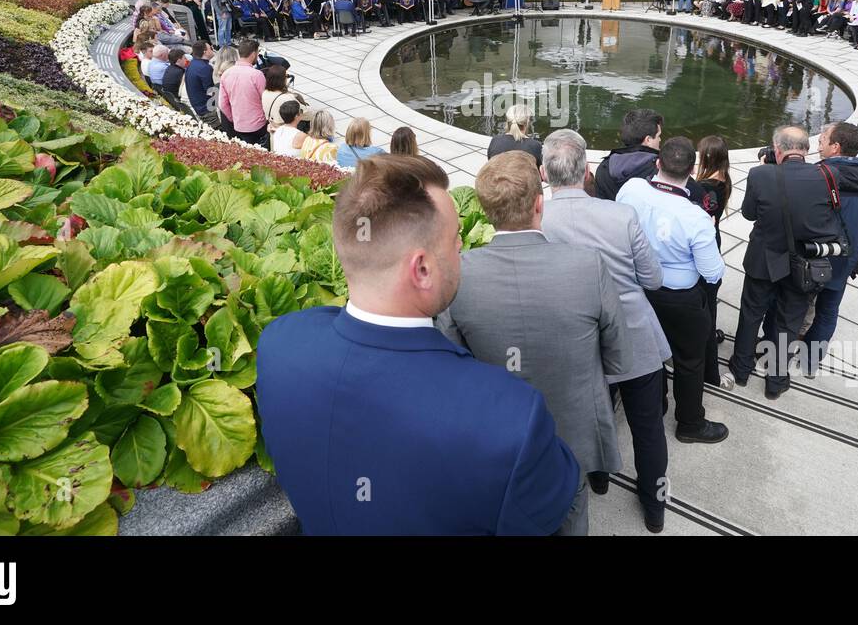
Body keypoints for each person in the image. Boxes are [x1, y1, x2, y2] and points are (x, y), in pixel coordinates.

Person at [257, 155, 579, 535]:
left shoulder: (278, 343)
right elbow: (553, 507)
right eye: (455, 237)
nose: (461, 246)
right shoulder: (510, 418)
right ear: (422, 269)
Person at [437, 151, 629, 535]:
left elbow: (449, 364)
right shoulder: (587, 265)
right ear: (540, 202)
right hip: (572, 436)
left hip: (497, 440)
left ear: (487, 210)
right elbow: (618, 355)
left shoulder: (459, 276)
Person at [539, 130, 668, 532]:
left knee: (590, 416)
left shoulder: (537, 220)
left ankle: (597, 478)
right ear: (588, 171)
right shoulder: (620, 215)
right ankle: (654, 507)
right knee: (648, 427)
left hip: (578, 342)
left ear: (544, 173)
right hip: (632, 336)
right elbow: (654, 279)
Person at [617, 137, 727, 444]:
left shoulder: (630, 190)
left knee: (650, 352)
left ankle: (657, 404)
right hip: (680, 300)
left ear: (657, 163)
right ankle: (689, 423)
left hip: (638, 288)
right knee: (689, 361)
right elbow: (712, 272)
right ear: (692, 170)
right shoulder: (695, 217)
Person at [766, 123, 858, 377]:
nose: (819, 142)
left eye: (823, 138)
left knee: (793, 306)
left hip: (813, 257)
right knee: (828, 310)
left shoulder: (817, 174)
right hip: (846, 261)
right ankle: (811, 362)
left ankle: (778, 358)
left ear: (836, 146)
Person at [729, 125, 844, 396]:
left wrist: (764, 169)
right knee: (789, 322)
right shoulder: (828, 174)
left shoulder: (760, 174)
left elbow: (748, 214)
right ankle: (776, 381)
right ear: (805, 149)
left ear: (777, 149)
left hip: (764, 259)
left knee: (751, 315)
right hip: (804, 263)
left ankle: (741, 369)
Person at [593, 108, 662, 202]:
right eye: (658, 136)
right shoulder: (660, 171)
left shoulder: (603, 168)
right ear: (648, 140)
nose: (660, 140)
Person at [218, 39, 269, 146]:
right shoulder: (256, 75)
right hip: (258, 124)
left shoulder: (226, 74)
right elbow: (265, 100)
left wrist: (233, 118)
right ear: (254, 53)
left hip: (239, 124)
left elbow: (222, 104)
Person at [261, 64, 304, 134]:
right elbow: (304, 113)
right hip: (286, 132)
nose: (287, 78)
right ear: (281, 79)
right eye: (286, 76)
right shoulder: (287, 98)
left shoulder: (265, 93)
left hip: (273, 130)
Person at [184, 41, 215, 120]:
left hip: (198, 106)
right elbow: (211, 91)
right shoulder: (204, 68)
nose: (212, 50)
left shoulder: (192, 63)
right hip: (207, 110)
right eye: (210, 48)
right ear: (205, 52)